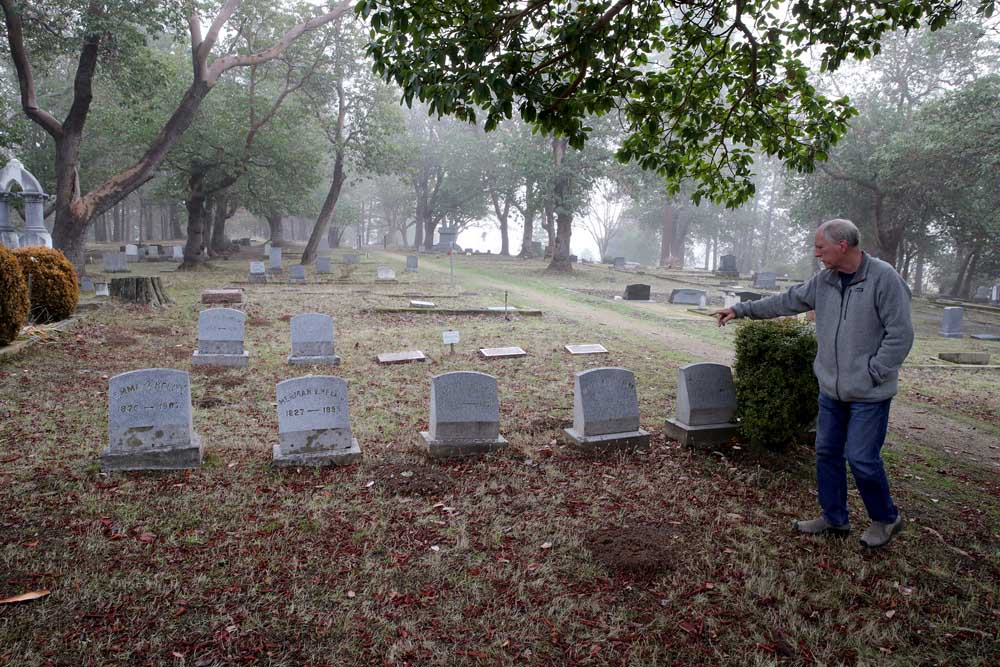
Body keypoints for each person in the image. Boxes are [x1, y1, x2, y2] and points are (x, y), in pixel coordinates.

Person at [714, 219, 914, 548]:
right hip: (831, 390)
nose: (816, 253)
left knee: (862, 458)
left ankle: (886, 518)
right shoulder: (825, 281)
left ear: (843, 246)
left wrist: (874, 372)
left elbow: (901, 334)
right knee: (827, 453)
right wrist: (740, 309)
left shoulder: (883, 278)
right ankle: (834, 518)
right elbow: (785, 301)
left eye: (821, 247)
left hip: (869, 393)